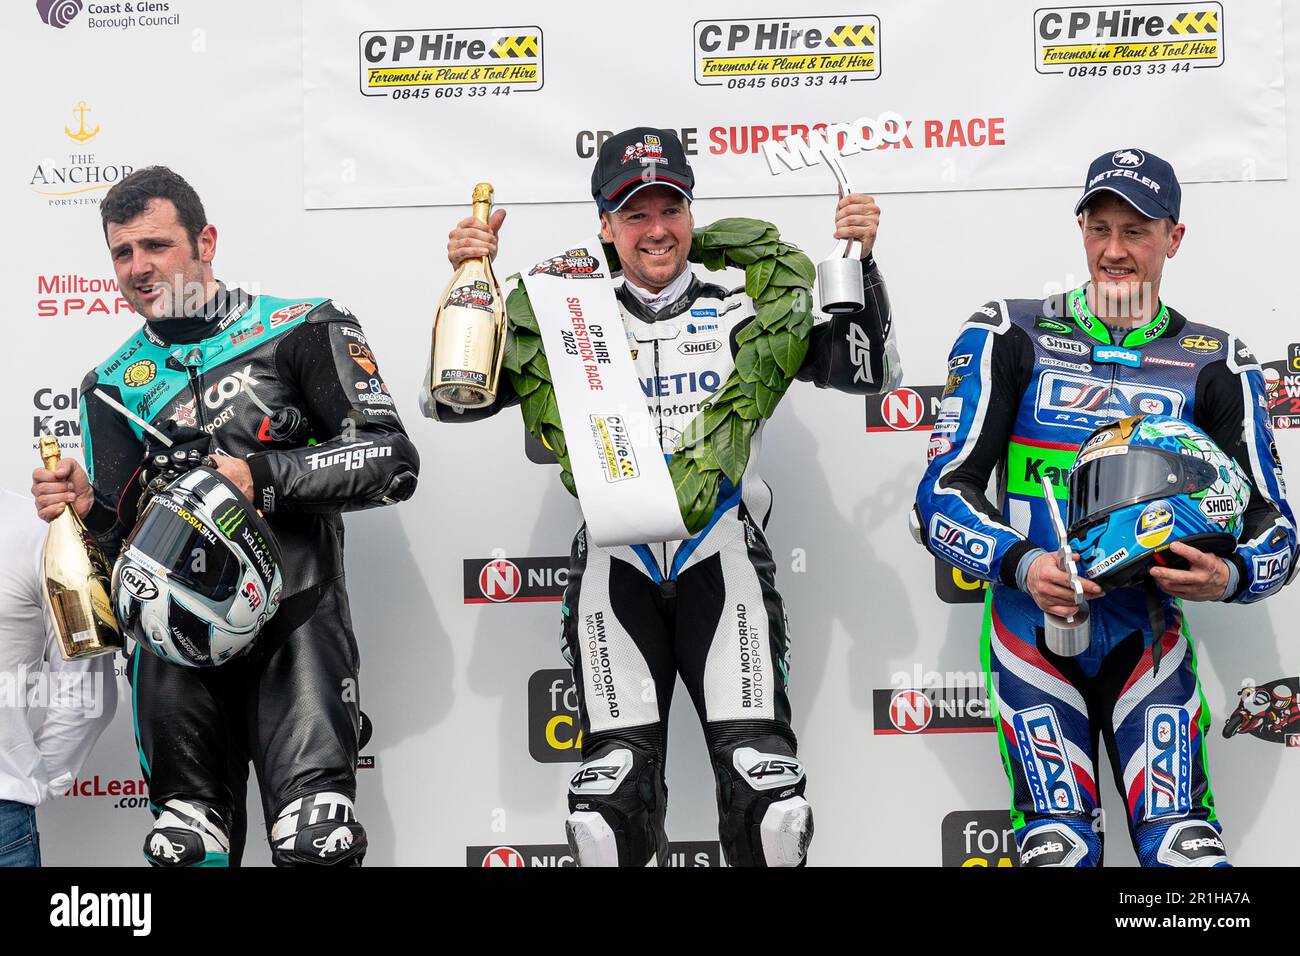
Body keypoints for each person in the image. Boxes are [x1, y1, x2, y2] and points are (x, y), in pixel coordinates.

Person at [424, 127, 902, 866]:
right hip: (617, 570)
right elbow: (454, 404)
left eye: (670, 208)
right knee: (606, 816)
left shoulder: (751, 295)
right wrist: (467, 280)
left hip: (723, 556)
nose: (656, 231)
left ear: (691, 211)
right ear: (606, 225)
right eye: (634, 213)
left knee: (768, 804)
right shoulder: (560, 309)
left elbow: (867, 376)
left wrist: (859, 266)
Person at [914, 149, 1296, 866]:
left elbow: (1276, 529)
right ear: (1082, 230)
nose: (1115, 251)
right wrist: (1023, 565)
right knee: (1057, 850)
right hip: (1032, 633)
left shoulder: (1218, 362)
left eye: (1137, 231)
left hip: (1146, 633)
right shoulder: (1009, 333)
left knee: (1184, 849)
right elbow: (939, 494)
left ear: (1173, 238)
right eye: (1100, 228)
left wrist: (1230, 578)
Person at [30, 166, 419, 866]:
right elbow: (117, 552)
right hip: (173, 658)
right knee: (187, 853)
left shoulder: (301, 327)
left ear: (204, 241)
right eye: (122, 253)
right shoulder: (111, 385)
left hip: (297, 630)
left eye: (155, 246)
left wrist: (258, 476)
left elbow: (392, 461)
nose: (138, 268)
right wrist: (87, 515)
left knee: (316, 846)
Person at [0, 489, 116, 866]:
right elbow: (90, 696)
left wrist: (26, 776)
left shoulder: (43, 529)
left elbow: (88, 689)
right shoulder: (36, 527)